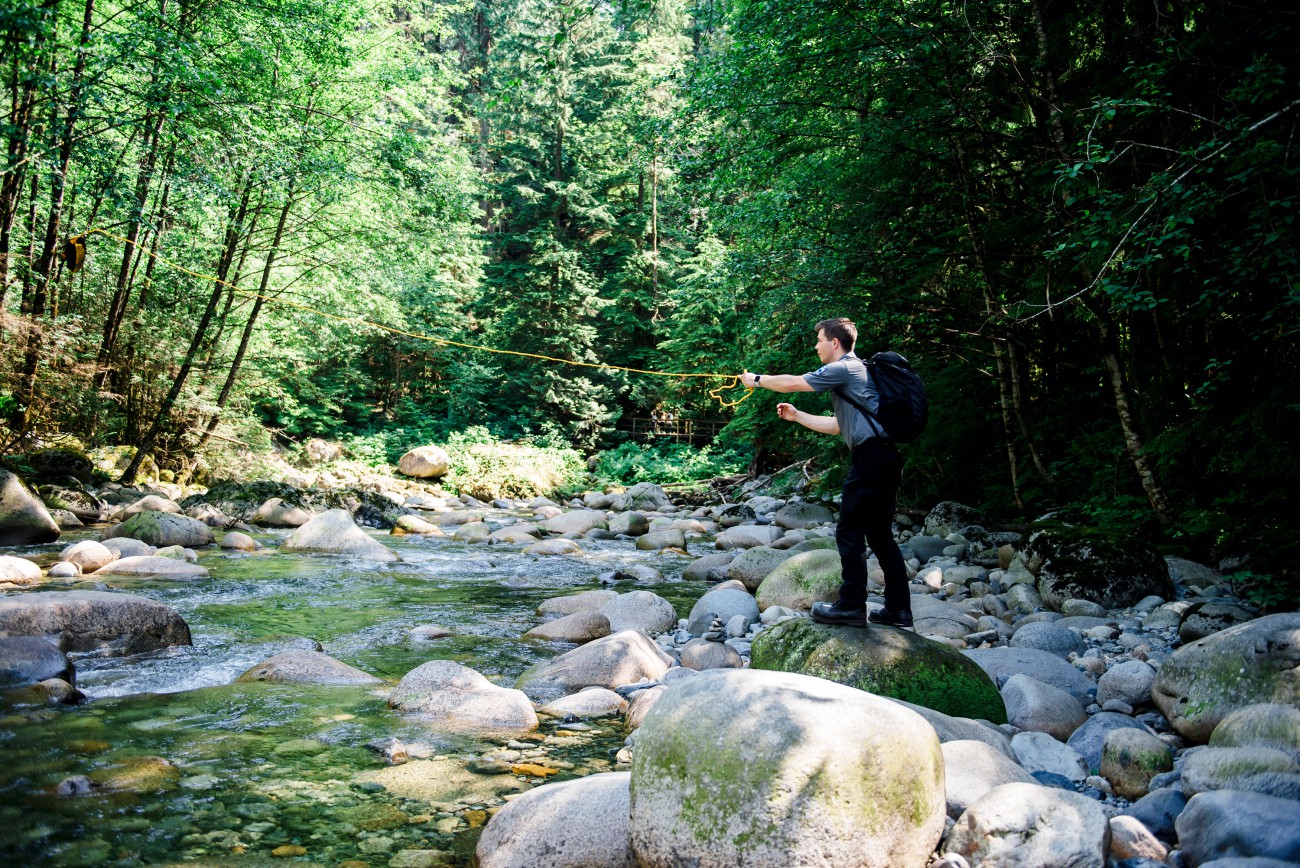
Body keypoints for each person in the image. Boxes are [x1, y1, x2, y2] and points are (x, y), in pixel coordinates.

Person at [739, 317, 912, 628]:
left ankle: (851, 606)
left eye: (820, 340)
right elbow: (837, 426)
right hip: (884, 458)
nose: (816, 345)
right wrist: (797, 416)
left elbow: (794, 383)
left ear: (835, 342)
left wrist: (757, 379)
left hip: (871, 460)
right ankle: (898, 609)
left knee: (849, 532)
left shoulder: (845, 367)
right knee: (880, 536)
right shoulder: (857, 375)